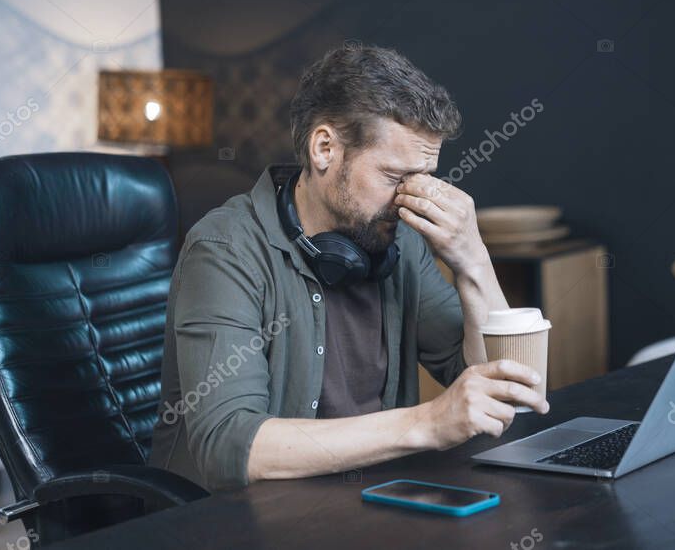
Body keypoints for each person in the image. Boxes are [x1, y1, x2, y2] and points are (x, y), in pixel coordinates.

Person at [149, 44, 549, 491]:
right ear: (325, 149)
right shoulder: (225, 249)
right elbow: (228, 446)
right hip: (231, 516)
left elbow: (501, 387)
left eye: (423, 178)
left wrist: (473, 260)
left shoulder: (402, 240)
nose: (410, 198)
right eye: (395, 177)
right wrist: (429, 422)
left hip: (363, 498)